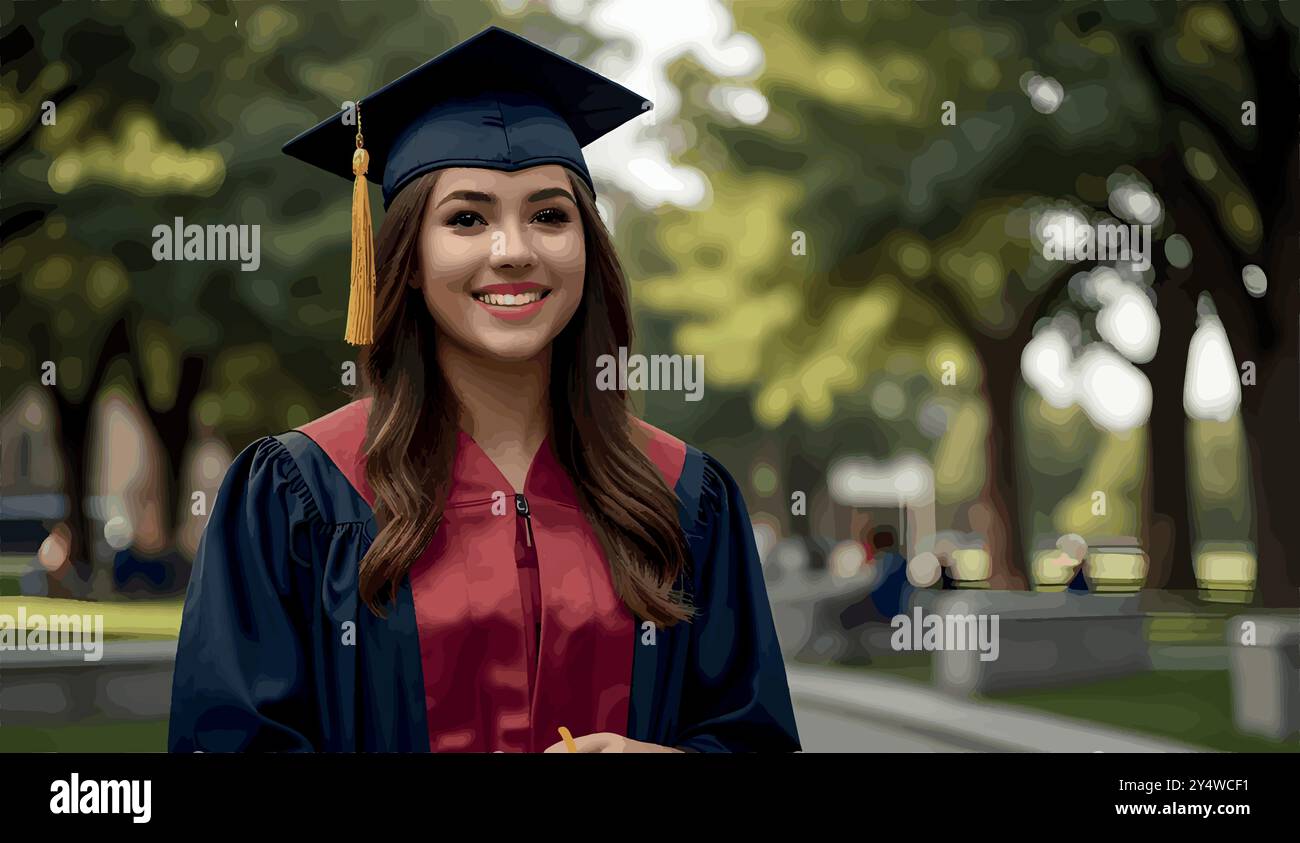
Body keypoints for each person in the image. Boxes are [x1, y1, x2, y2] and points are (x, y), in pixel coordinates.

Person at [167, 27, 800, 754]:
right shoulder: (300, 493)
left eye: (549, 215)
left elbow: (754, 737)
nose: (513, 251)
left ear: (589, 249)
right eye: (466, 218)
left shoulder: (685, 499)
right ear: (407, 258)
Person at [867, 527, 912, 618]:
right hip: (898, 609)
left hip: (883, 608)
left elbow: (873, 585)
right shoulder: (902, 561)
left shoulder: (882, 560)